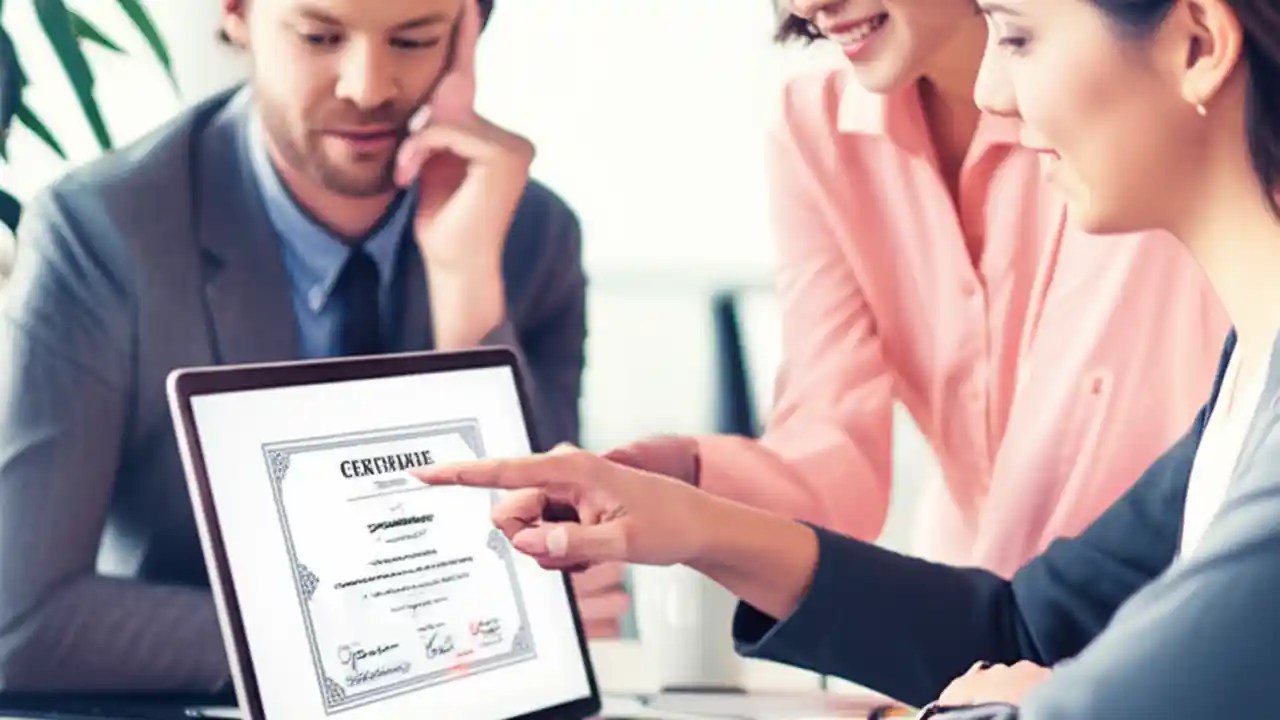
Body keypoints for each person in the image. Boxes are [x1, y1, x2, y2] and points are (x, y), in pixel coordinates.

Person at [418, 0, 1280, 715]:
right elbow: (1019, 628)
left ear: (1198, 45)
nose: (994, 92)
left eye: (1017, 35)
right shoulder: (1242, 381)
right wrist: (690, 519)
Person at [0, 0, 586, 692]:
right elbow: (18, 620)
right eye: (319, 36)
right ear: (236, 12)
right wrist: (373, 638)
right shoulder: (101, 231)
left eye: (413, 39)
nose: (367, 87)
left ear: (468, 31)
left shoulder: (526, 232)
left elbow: (548, 582)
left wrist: (465, 285)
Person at [601, 0, 1228, 587]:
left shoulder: (1132, 112)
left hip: (1162, 603)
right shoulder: (818, 130)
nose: (805, 5)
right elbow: (832, 457)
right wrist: (678, 477)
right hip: (974, 605)